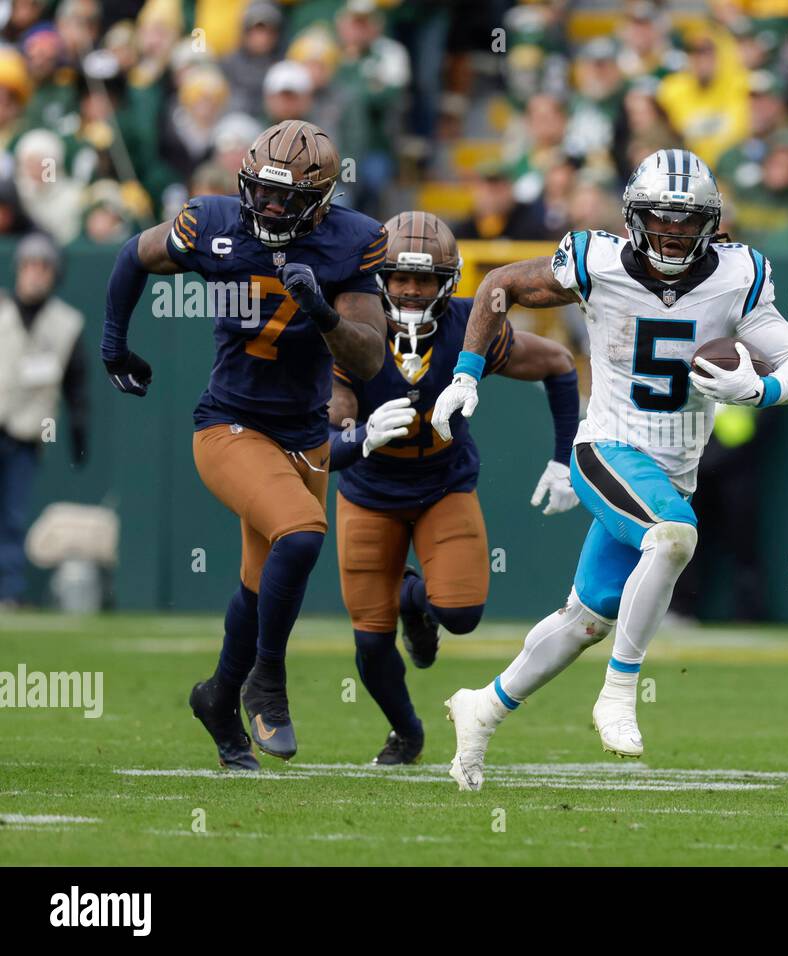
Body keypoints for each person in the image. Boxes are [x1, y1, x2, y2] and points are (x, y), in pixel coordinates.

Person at [432, 148, 788, 791]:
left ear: (712, 225)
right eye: (659, 219)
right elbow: (497, 284)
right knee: (674, 537)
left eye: (686, 221)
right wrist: (467, 374)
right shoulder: (597, 260)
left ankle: (484, 706)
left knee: (587, 618)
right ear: (633, 218)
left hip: (674, 467)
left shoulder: (738, 275)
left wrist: (761, 392)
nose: (671, 233)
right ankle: (618, 693)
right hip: (608, 446)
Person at [100, 120, 388, 770]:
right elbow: (133, 256)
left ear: (321, 202)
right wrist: (114, 343)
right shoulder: (211, 222)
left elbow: (368, 360)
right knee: (304, 533)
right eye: (263, 192)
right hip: (228, 421)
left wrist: (327, 315)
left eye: (288, 200)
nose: (273, 208)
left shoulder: (355, 242)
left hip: (305, 433)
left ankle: (218, 698)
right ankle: (268, 680)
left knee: (261, 586)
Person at [327, 211, 580, 764]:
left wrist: (563, 460)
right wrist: (359, 439)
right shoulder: (352, 329)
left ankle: (410, 598)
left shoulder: (472, 327)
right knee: (370, 641)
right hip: (369, 491)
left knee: (462, 612)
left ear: (449, 282)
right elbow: (325, 437)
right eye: (400, 278)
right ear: (379, 277)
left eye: (425, 279)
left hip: (443, 486)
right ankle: (407, 732)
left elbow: (559, 363)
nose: (412, 290)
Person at [0, 232, 88, 607]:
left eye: (43, 267)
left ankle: (9, 591)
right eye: (29, 266)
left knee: (13, 515)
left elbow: (76, 388)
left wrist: (79, 434)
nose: (35, 274)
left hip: (25, 432)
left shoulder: (66, 323)